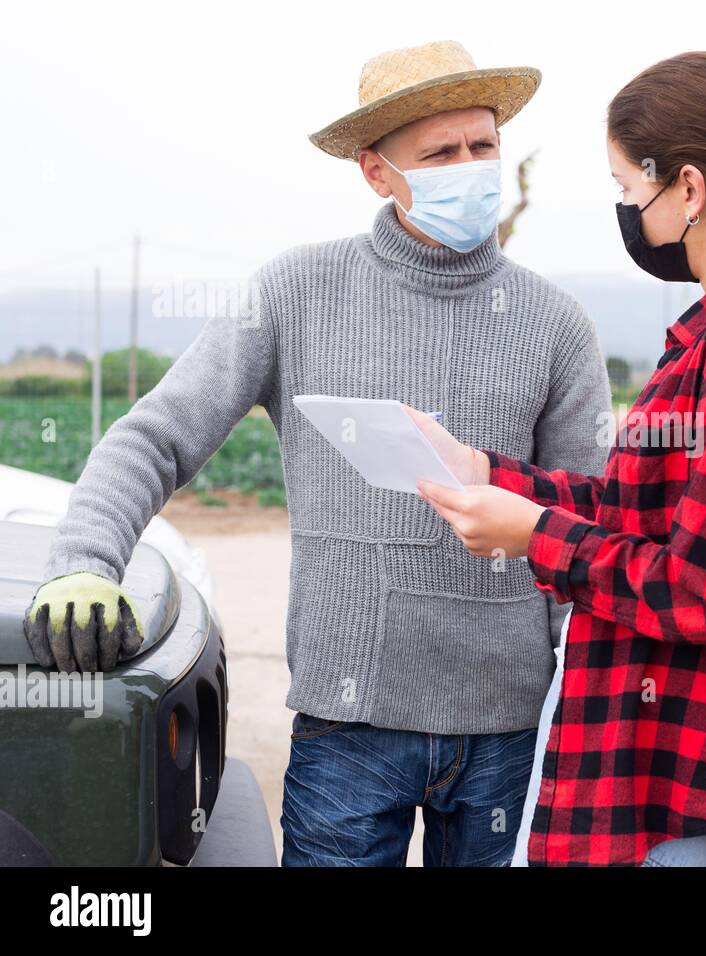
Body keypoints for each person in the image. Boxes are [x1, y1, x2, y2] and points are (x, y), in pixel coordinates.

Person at [22, 40, 611, 867]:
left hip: (506, 738)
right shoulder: (294, 294)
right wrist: (85, 559)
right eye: (441, 153)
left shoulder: (555, 326)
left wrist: (569, 714)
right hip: (348, 730)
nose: (470, 167)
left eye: (483, 145)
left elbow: (591, 524)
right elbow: (157, 435)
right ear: (376, 171)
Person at [404, 51, 706, 866]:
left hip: (698, 796)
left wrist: (536, 537)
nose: (626, 209)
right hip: (662, 782)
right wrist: (487, 475)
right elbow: (648, 512)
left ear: (690, 190)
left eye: (626, 189)